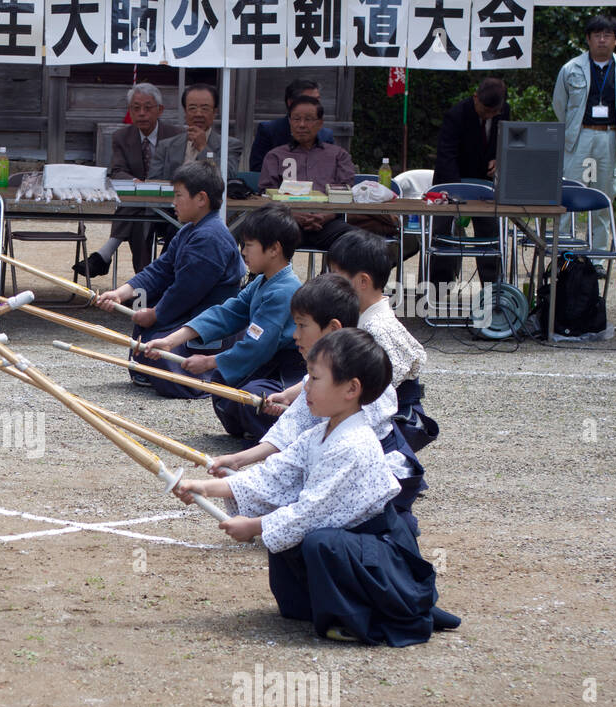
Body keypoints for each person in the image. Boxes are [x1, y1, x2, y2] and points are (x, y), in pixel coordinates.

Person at [174, 329, 460, 647]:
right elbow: (274, 475)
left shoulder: (354, 443)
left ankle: (371, 614)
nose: (305, 388)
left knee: (314, 541)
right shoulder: (320, 433)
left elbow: (310, 513)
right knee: (294, 591)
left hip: (378, 551)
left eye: (314, 379)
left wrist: (254, 526)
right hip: (345, 540)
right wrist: (205, 488)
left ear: (351, 389)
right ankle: (330, 607)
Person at [211, 273, 426, 530]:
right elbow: (291, 428)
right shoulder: (322, 375)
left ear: (333, 329)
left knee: (299, 501)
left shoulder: (358, 378)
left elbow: (321, 459)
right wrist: (239, 460)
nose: (294, 335)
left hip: (379, 482)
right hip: (338, 468)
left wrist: (259, 523)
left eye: (302, 326)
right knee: (281, 477)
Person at [144, 202, 305, 439]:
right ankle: (254, 429)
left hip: (287, 375)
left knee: (251, 398)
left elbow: (256, 346)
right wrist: (171, 340)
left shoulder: (284, 289)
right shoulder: (264, 282)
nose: (243, 252)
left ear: (274, 249)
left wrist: (209, 362)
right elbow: (227, 313)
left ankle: (283, 438)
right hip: (264, 366)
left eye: (249, 245)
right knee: (225, 383)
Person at [94, 160, 245, 398]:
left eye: (178, 195)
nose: (173, 202)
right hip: (188, 312)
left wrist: (156, 314)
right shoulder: (189, 230)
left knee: (159, 351)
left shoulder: (211, 237)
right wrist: (121, 293)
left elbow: (186, 291)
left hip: (208, 325)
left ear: (201, 199)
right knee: (149, 344)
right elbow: (160, 270)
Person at [327, 229, 438, 453]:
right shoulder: (363, 317)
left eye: (336, 276)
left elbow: (382, 391)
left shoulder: (378, 327)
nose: (330, 282)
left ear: (362, 281)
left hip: (394, 418)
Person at [74, 83, 178, 279]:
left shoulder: (176, 135)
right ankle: (146, 280)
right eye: (136, 108)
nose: (141, 113)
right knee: (138, 219)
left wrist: (155, 187)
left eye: (148, 108)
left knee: (135, 211)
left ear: (160, 110)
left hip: (170, 209)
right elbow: (118, 171)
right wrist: (137, 182)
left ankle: (107, 253)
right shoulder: (121, 136)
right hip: (139, 203)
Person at [553, 14, 616, 249]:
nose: (602, 40)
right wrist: (574, 129)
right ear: (588, 39)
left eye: (607, 35)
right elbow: (560, 104)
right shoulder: (571, 68)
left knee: (603, 197)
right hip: (579, 137)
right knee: (569, 193)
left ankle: (597, 257)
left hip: (609, 136)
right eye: (597, 35)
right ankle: (564, 254)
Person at [429, 78, 509, 287]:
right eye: (485, 110)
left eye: (494, 112)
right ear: (475, 97)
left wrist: (499, 159)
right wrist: (458, 193)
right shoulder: (456, 114)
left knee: (490, 233)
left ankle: (493, 289)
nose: (489, 115)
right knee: (442, 233)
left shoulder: (504, 112)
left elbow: (508, 144)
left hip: (485, 185)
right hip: (452, 181)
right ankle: (438, 288)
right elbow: (446, 155)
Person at [258, 95, 357, 252]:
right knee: (258, 235)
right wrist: (292, 214)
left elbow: (346, 191)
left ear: (320, 123)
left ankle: (336, 277)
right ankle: (259, 277)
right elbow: (265, 193)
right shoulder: (275, 155)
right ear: (290, 122)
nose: (302, 125)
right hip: (286, 223)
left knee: (355, 241)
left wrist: (326, 215)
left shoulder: (338, 155)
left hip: (327, 223)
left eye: (309, 119)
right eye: (296, 119)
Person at [151, 83, 243, 182]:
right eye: (192, 108)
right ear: (185, 112)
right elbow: (152, 182)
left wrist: (203, 148)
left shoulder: (230, 145)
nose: (198, 114)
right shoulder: (165, 146)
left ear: (214, 112)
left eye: (205, 108)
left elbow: (227, 176)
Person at [248, 78, 335, 173]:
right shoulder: (269, 130)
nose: (315, 105)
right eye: (308, 100)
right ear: (290, 103)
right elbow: (257, 169)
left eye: (317, 100)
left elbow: (331, 170)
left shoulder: (326, 135)